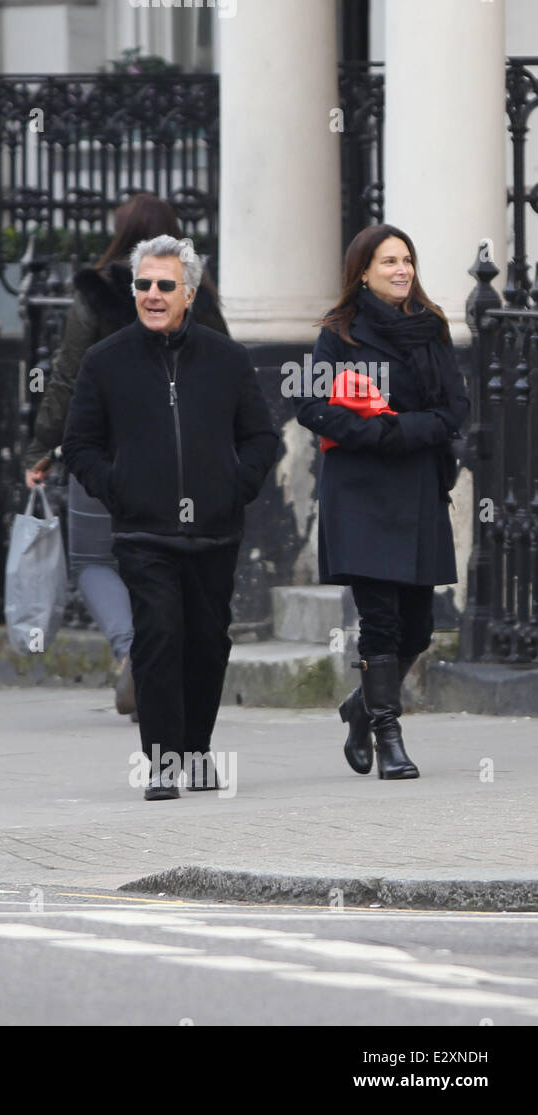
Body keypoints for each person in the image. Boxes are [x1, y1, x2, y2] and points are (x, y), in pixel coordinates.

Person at [62, 235, 278, 800]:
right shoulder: (105, 361)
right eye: (143, 285)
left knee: (207, 643)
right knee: (158, 637)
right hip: (143, 530)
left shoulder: (227, 358)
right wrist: (121, 489)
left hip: (214, 529)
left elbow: (260, 436)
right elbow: (79, 443)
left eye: (165, 285)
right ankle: (160, 762)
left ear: (189, 293)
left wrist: (237, 485)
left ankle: (198, 751)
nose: (152, 295)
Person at [24, 194, 229, 718]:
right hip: (180, 458)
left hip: (105, 452)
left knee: (94, 559)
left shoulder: (97, 291)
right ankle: (157, 658)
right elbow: (223, 371)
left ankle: (131, 649)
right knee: (167, 558)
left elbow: (67, 373)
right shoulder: (194, 292)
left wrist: (42, 447)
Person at [294, 224, 469, 780]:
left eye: (407, 260)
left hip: (418, 486)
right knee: (380, 620)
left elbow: (454, 411)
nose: (401, 270)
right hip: (361, 492)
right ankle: (389, 734)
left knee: (418, 629)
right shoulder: (339, 332)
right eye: (389, 261)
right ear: (363, 271)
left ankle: (360, 706)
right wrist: (377, 435)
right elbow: (312, 405)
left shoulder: (431, 327)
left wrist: (403, 431)